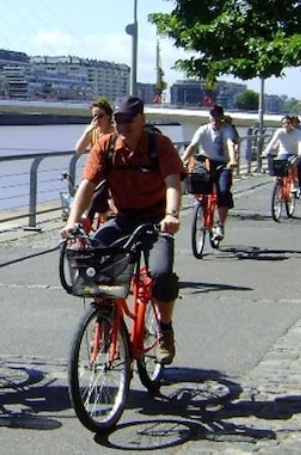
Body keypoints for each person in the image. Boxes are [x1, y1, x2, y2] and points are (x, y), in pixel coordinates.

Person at [61, 95, 185, 365]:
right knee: (94, 251)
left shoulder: (159, 145)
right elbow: (87, 185)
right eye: (118, 120)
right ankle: (104, 318)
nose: (123, 125)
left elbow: (173, 182)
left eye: (129, 120)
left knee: (161, 275)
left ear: (142, 120)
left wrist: (171, 215)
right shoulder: (106, 146)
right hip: (123, 217)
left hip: (155, 219)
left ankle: (165, 329)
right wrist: (73, 220)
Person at [181, 105, 237, 242]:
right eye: (213, 116)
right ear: (209, 117)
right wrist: (182, 160)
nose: (215, 119)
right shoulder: (203, 129)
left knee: (223, 192)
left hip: (222, 163)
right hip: (205, 162)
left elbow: (230, 144)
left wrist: (233, 160)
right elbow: (193, 146)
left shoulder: (227, 130)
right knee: (194, 178)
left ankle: (220, 225)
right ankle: (199, 203)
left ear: (222, 117)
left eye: (218, 116)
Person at [261, 115, 301, 195]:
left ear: (292, 124)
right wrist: (266, 152)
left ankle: (294, 183)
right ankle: (278, 183)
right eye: (284, 123)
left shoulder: (297, 133)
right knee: (277, 163)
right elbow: (272, 143)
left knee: (293, 163)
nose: (286, 125)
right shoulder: (279, 131)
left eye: (288, 123)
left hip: (295, 154)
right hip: (283, 153)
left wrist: (300, 153)